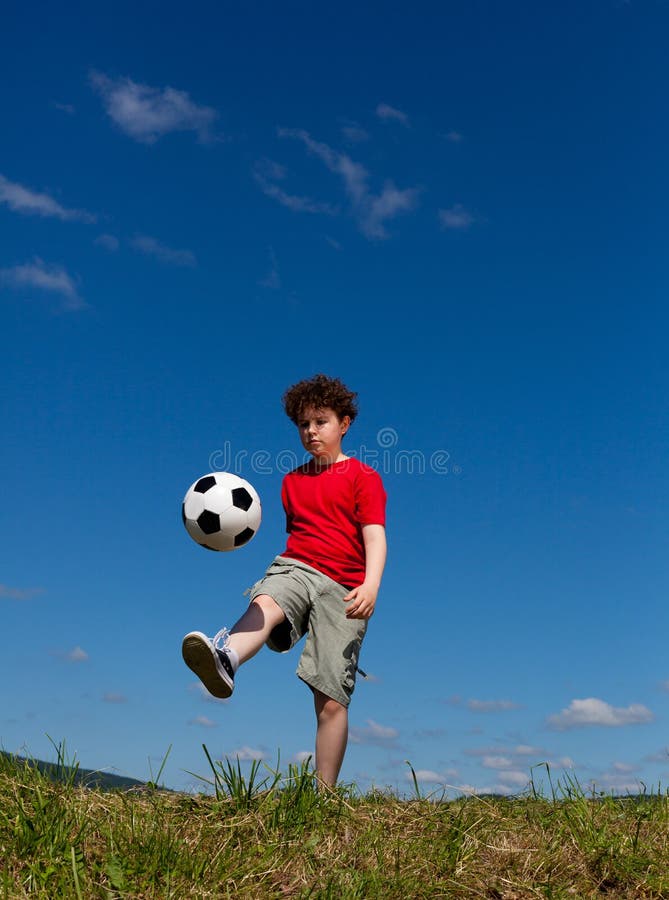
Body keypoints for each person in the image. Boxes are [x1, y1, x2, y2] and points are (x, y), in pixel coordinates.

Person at [182, 373, 387, 786]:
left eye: (321, 421)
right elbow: (301, 533)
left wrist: (371, 584)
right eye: (303, 425)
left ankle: (324, 797)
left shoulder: (363, 477)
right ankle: (226, 658)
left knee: (329, 698)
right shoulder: (291, 481)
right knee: (268, 598)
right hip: (297, 566)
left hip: (345, 587)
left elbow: (375, 534)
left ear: (344, 423)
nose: (311, 432)